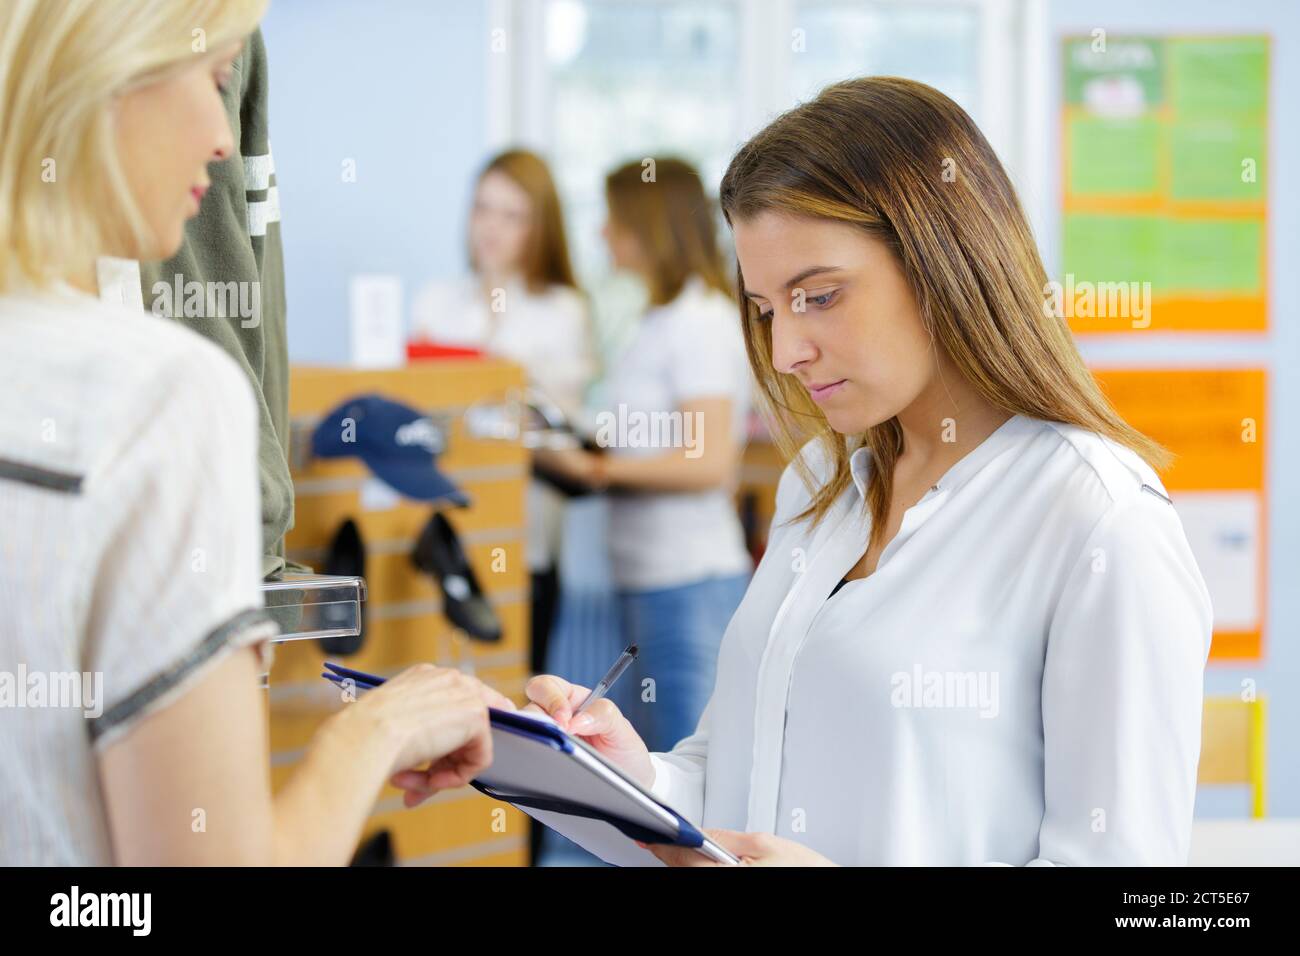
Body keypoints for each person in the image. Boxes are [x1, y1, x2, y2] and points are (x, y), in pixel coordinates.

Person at [523, 78, 1212, 866]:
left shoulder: (1099, 524)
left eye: (818, 296)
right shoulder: (819, 483)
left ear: (943, 262)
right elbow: (735, 789)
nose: (785, 353)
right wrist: (627, 777)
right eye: (766, 310)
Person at [0, 0, 509, 866]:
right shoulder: (163, 394)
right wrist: (376, 732)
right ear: (107, 76)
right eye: (212, 80)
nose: (224, 140)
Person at [533, 158, 753, 755]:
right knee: (653, 754)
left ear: (648, 223)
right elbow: (647, 437)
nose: (602, 232)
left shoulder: (700, 321)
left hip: (689, 581)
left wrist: (599, 470)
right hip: (648, 577)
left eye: (613, 218)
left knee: (686, 763)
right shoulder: (654, 322)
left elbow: (708, 462)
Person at [411, 149, 593, 675]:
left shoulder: (561, 310)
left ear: (540, 227)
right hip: (446, 526)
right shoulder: (437, 301)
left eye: (511, 215)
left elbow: (561, 430)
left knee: (517, 686)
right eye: (482, 209)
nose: (490, 228)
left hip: (527, 532)